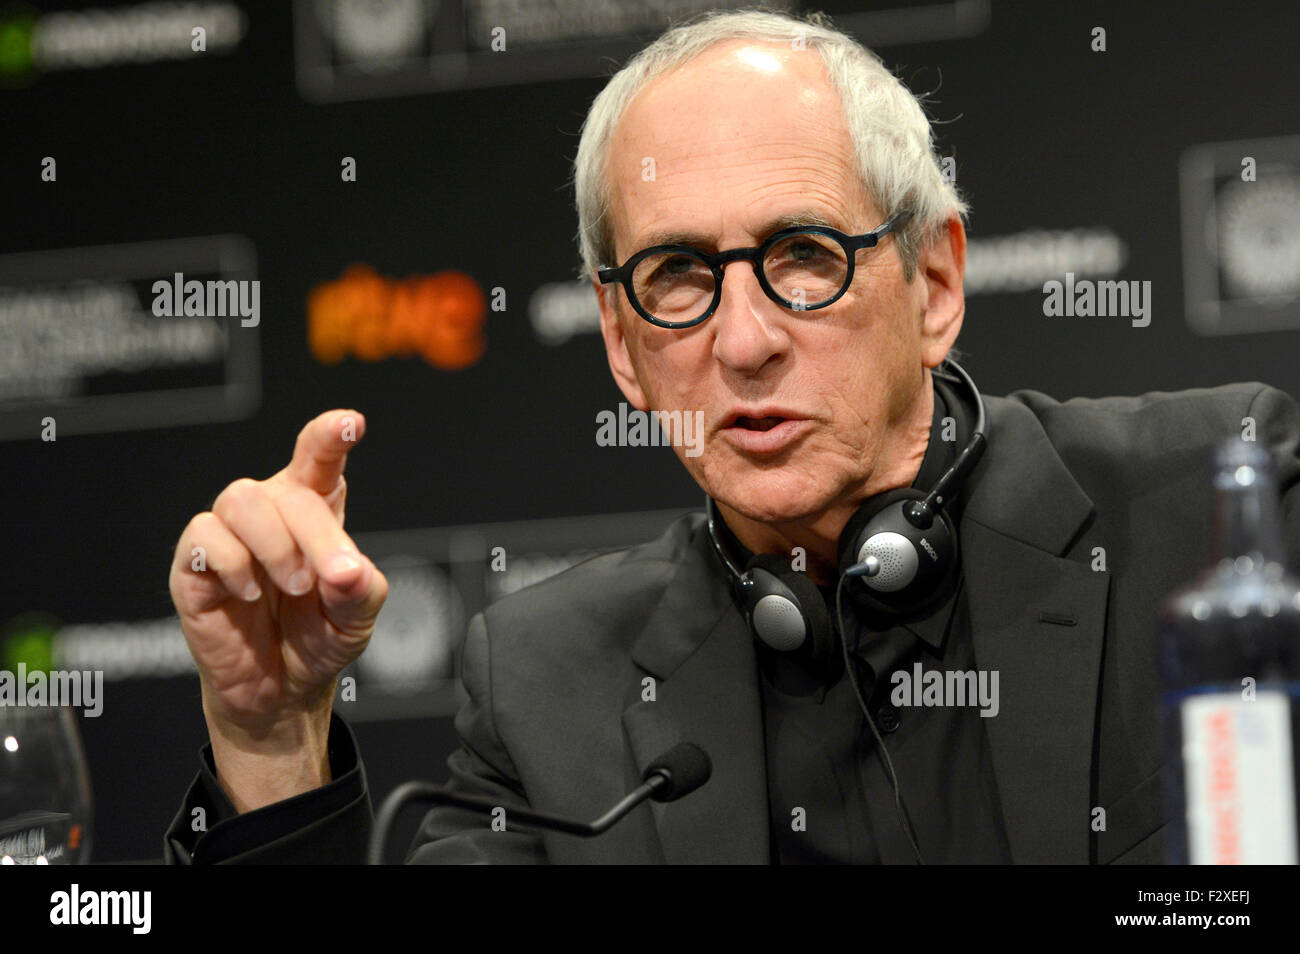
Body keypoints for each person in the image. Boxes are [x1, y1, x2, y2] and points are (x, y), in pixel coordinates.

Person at [163, 9, 1300, 864]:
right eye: (678, 276)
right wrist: (270, 744)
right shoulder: (550, 684)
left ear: (937, 282)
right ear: (619, 343)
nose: (743, 340)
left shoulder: (1216, 512)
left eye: (803, 254)